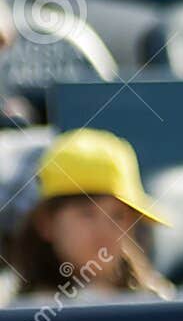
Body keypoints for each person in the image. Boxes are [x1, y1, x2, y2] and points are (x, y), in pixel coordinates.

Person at [4, 128, 171, 299]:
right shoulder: (12, 308)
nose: (105, 230)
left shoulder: (158, 300)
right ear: (46, 222)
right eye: (87, 213)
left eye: (118, 215)